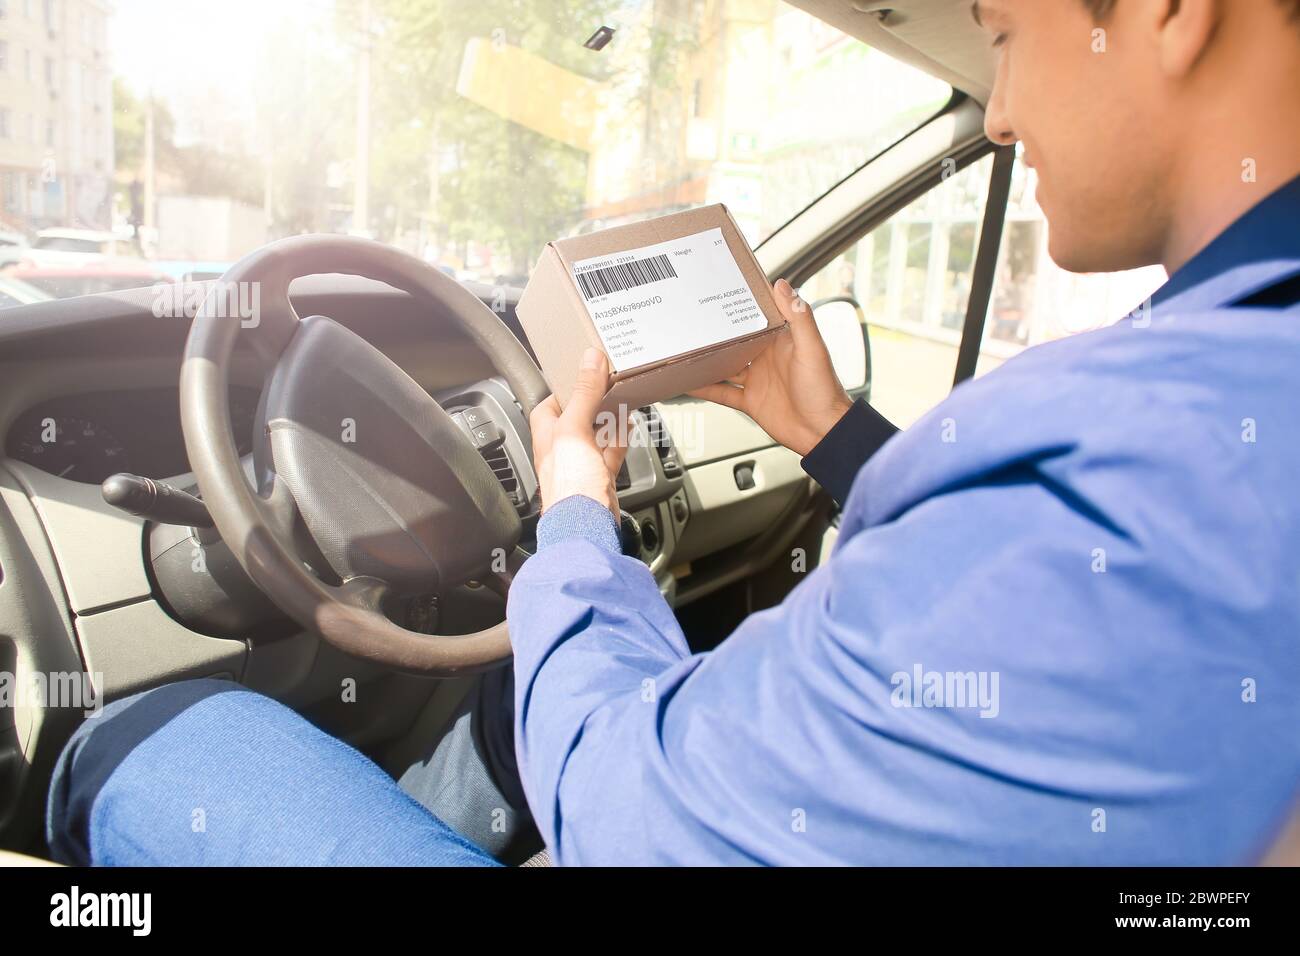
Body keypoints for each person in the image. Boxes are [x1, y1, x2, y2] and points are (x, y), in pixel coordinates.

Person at [48, 0, 1300, 865]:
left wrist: (575, 517)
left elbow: (635, 818)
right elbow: (999, 594)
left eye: (1004, 38)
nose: (1004, 113)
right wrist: (829, 429)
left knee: (157, 740)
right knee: (505, 715)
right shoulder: (1221, 404)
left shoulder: (1122, 462)